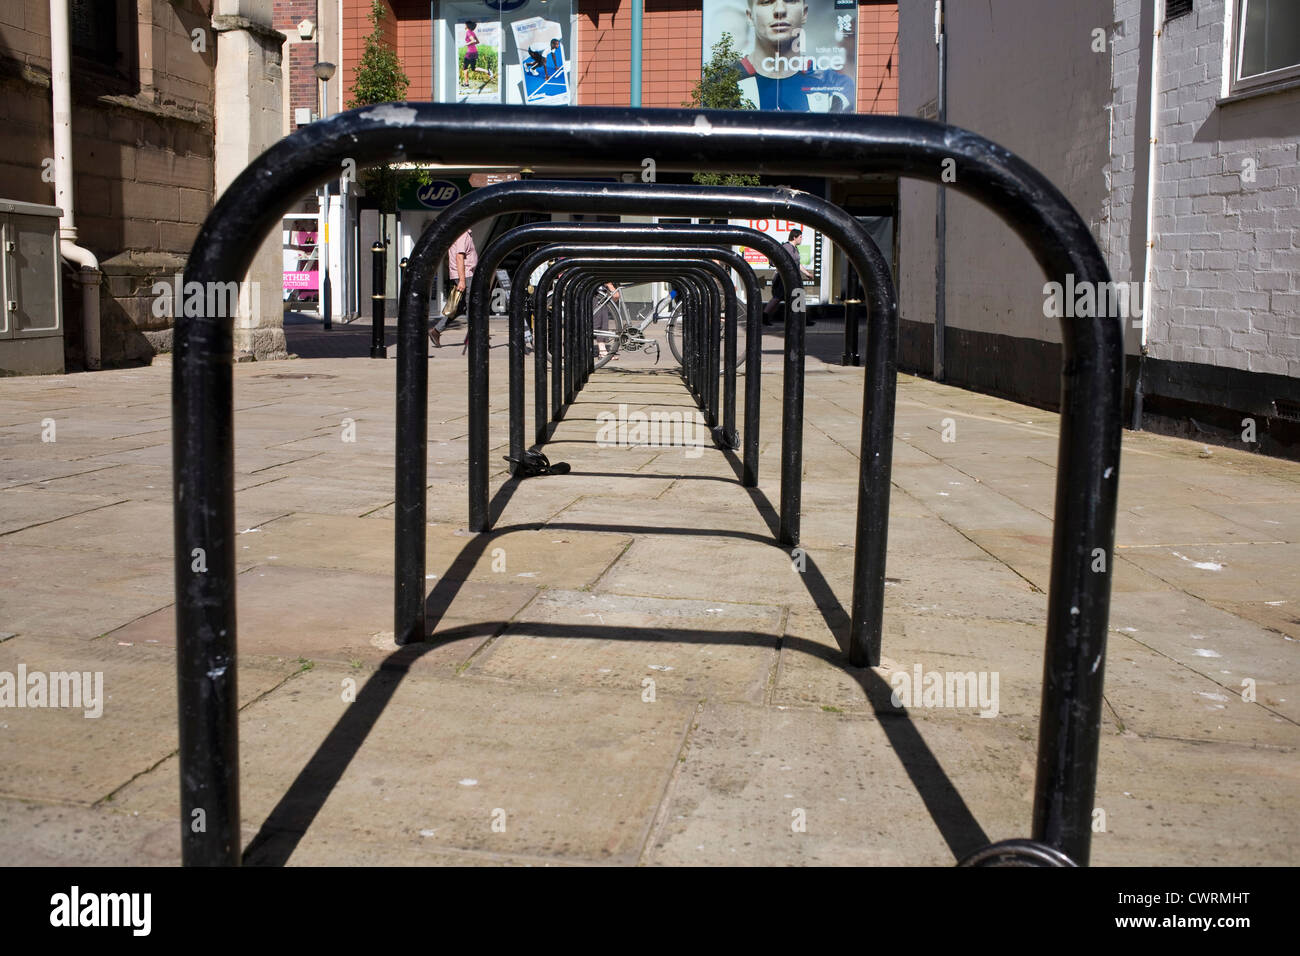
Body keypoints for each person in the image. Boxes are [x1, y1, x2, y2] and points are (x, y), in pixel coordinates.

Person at [732, 0, 855, 112]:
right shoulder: (724, 81)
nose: (780, 10)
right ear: (750, 17)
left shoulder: (836, 86)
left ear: (804, 13)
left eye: (790, 0)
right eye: (766, 2)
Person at [431, 229, 476, 347]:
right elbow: (459, 257)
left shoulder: (458, 233)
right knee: (472, 306)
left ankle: (436, 331)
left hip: (463, 275)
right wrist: (462, 280)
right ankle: (475, 339)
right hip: (465, 275)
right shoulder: (463, 234)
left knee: (459, 307)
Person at [764, 228, 816, 326]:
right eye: (800, 237)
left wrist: (807, 273)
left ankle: (803, 319)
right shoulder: (787, 247)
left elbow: (797, 263)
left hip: (791, 277)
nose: (801, 239)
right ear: (794, 237)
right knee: (778, 297)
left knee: (793, 296)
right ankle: (765, 317)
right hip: (783, 278)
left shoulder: (794, 248)